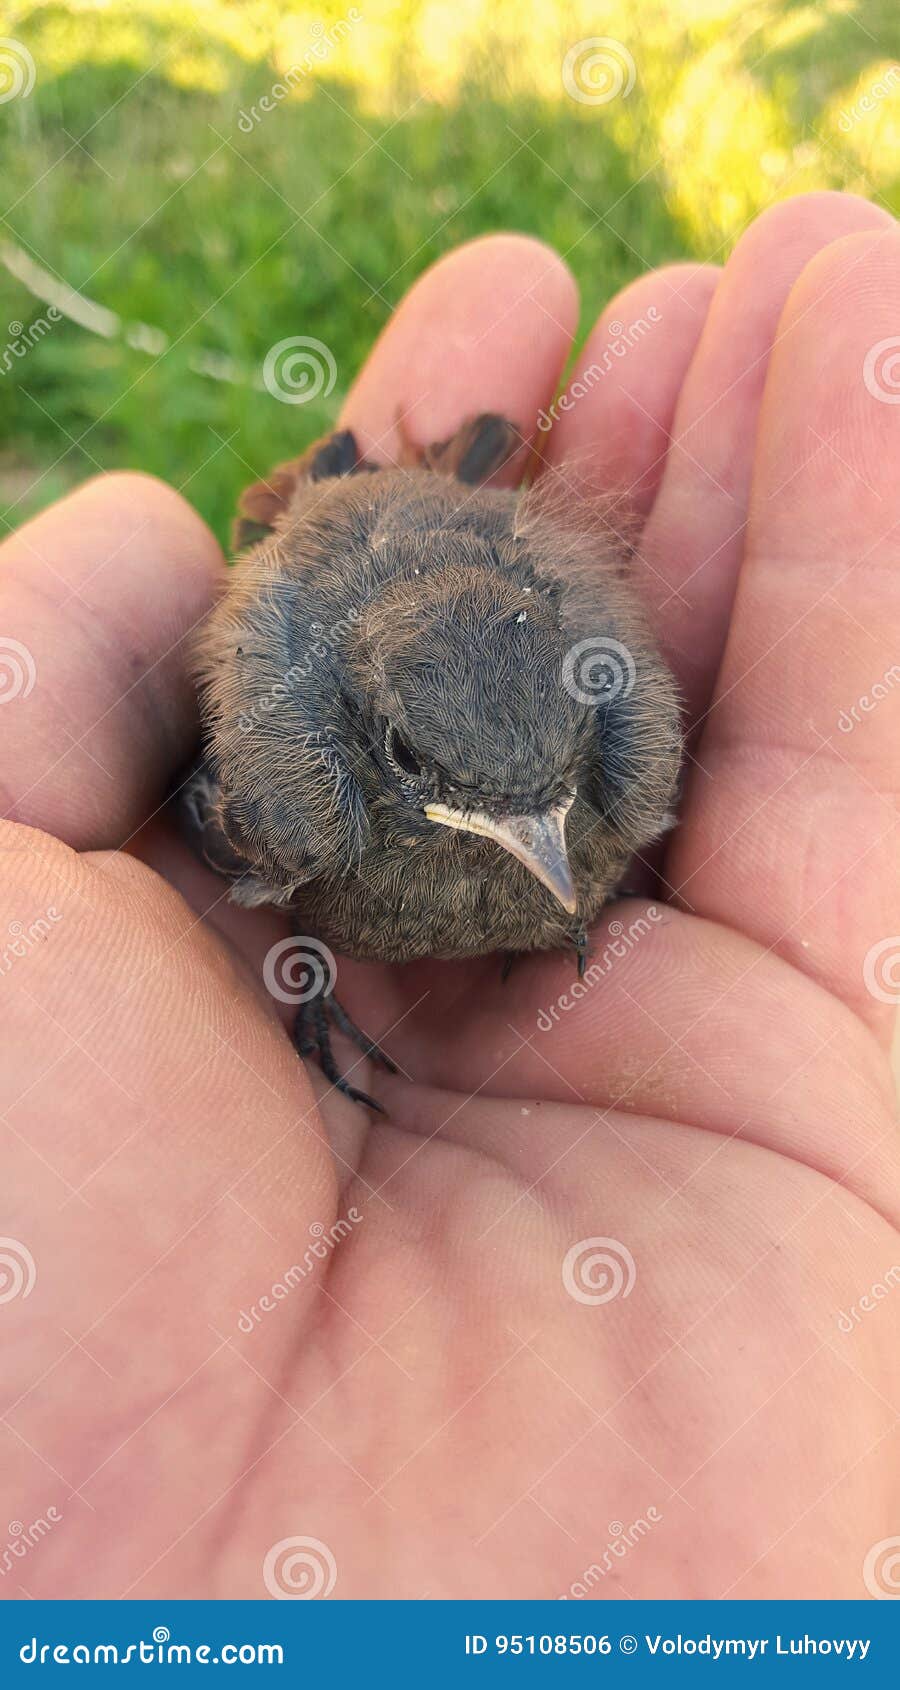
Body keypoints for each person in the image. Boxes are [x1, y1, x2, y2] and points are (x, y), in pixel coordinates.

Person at [1, 191, 898, 1600]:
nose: (550, 840)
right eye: (479, 797)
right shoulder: (304, 779)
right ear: (371, 740)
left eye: (558, 806)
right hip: (343, 553)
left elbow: (570, 779)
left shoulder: (614, 737)